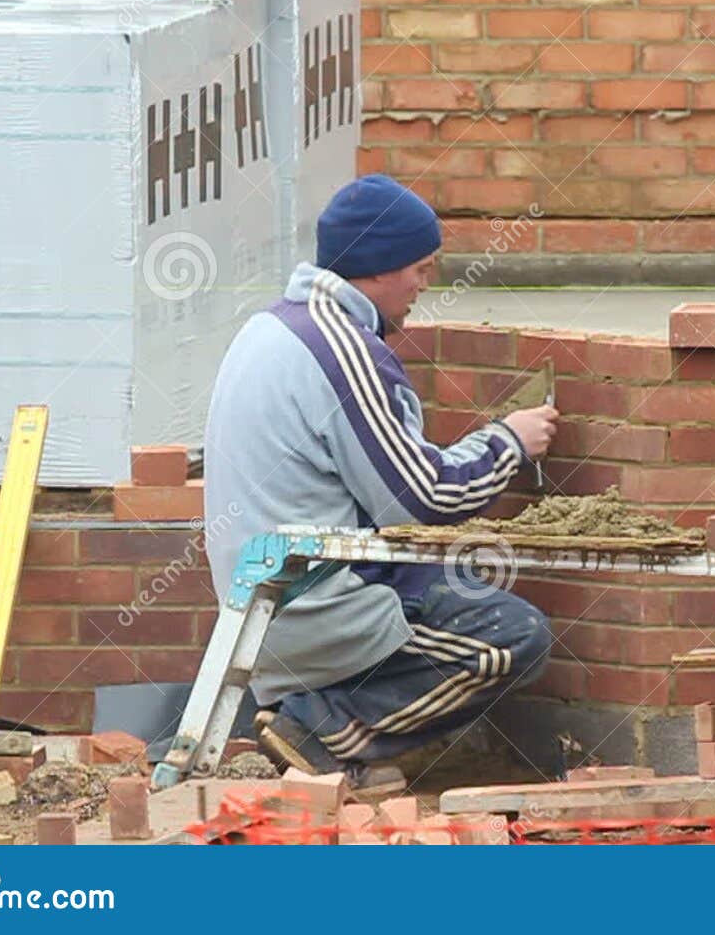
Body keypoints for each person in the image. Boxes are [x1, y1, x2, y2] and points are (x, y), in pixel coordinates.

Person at [201, 174, 559, 783]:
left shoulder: (274, 326)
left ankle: (323, 731)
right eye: (421, 268)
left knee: (456, 581)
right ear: (379, 265)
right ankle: (322, 727)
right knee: (516, 636)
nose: (427, 285)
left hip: (266, 598)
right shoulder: (342, 350)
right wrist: (509, 443)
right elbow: (423, 499)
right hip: (319, 609)